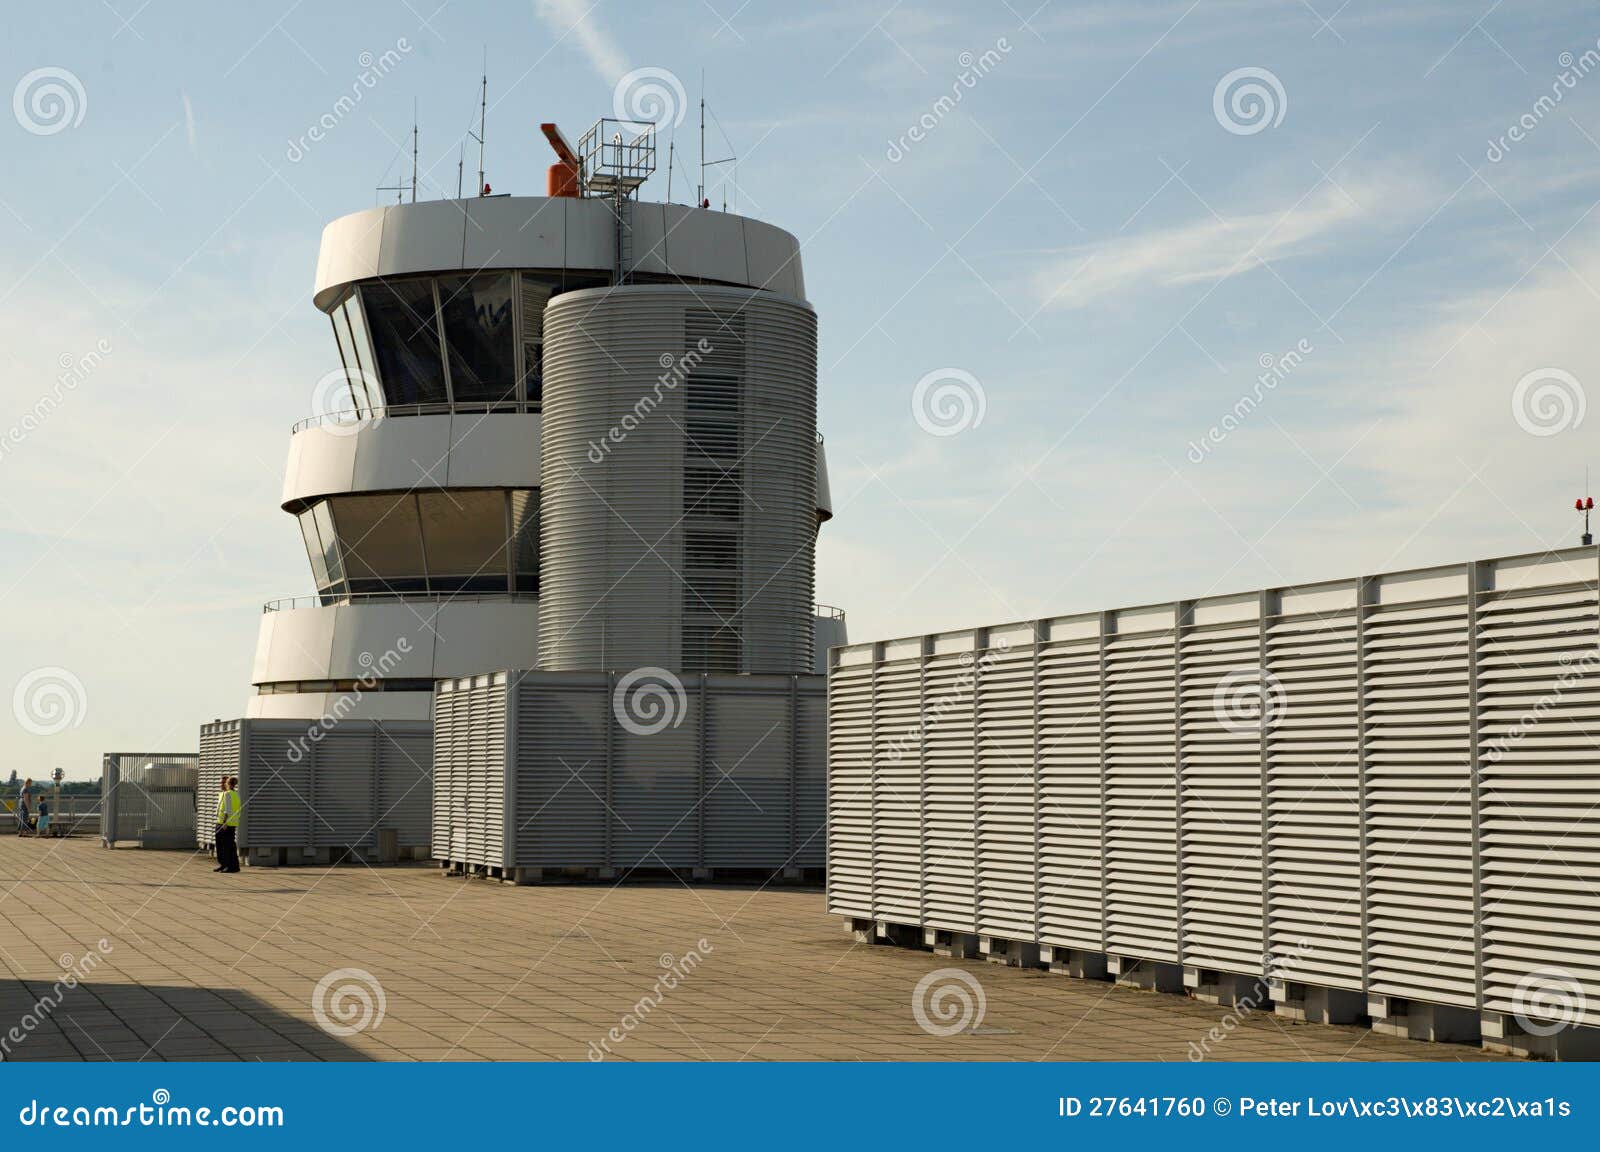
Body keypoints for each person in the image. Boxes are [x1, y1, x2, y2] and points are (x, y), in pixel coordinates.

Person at [213, 776, 241, 873]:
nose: (221, 784)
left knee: (225, 846)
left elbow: (227, 810)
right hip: (229, 823)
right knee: (228, 846)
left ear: (227, 783)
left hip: (224, 824)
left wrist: (224, 822)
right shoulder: (236, 794)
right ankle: (226, 865)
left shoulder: (228, 794)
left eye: (223, 782)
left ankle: (230, 866)